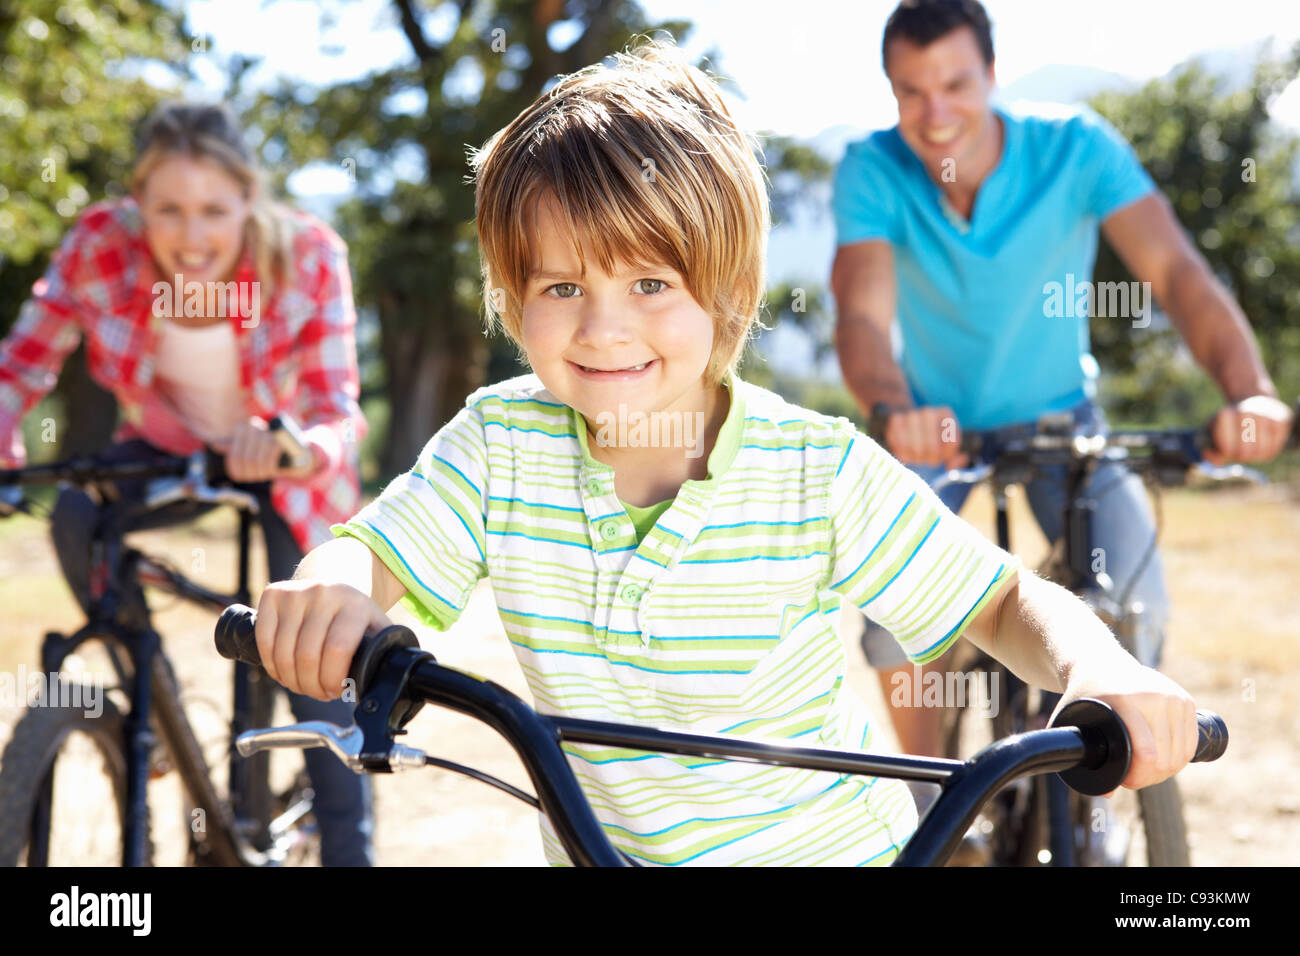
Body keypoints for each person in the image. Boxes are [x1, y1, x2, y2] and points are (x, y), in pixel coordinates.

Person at [250, 38, 1202, 867]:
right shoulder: (501, 444)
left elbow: (999, 599)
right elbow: (374, 550)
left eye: (652, 282)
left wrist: (1099, 664)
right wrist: (332, 581)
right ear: (512, 295)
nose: (605, 330)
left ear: (729, 293)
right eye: (561, 287)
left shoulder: (813, 469)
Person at [831, 0, 1293, 766]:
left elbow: (1177, 274)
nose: (935, 113)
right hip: (932, 428)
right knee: (895, 615)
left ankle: (1102, 820)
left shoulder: (1076, 148)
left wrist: (1249, 391)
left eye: (955, 83)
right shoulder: (872, 169)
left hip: (1063, 421)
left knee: (1134, 601)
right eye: (910, 91)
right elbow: (862, 320)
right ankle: (928, 800)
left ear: (992, 73)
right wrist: (894, 409)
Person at [0, 102, 374, 866]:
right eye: (168, 209)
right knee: (76, 516)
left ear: (249, 200)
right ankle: (155, 698)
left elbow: (338, 414)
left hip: (282, 469)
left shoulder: (306, 254)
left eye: (214, 210)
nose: (191, 235)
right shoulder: (103, 245)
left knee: (311, 667)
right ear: (139, 204)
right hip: (165, 453)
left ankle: (348, 850)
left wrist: (290, 446)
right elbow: (20, 365)